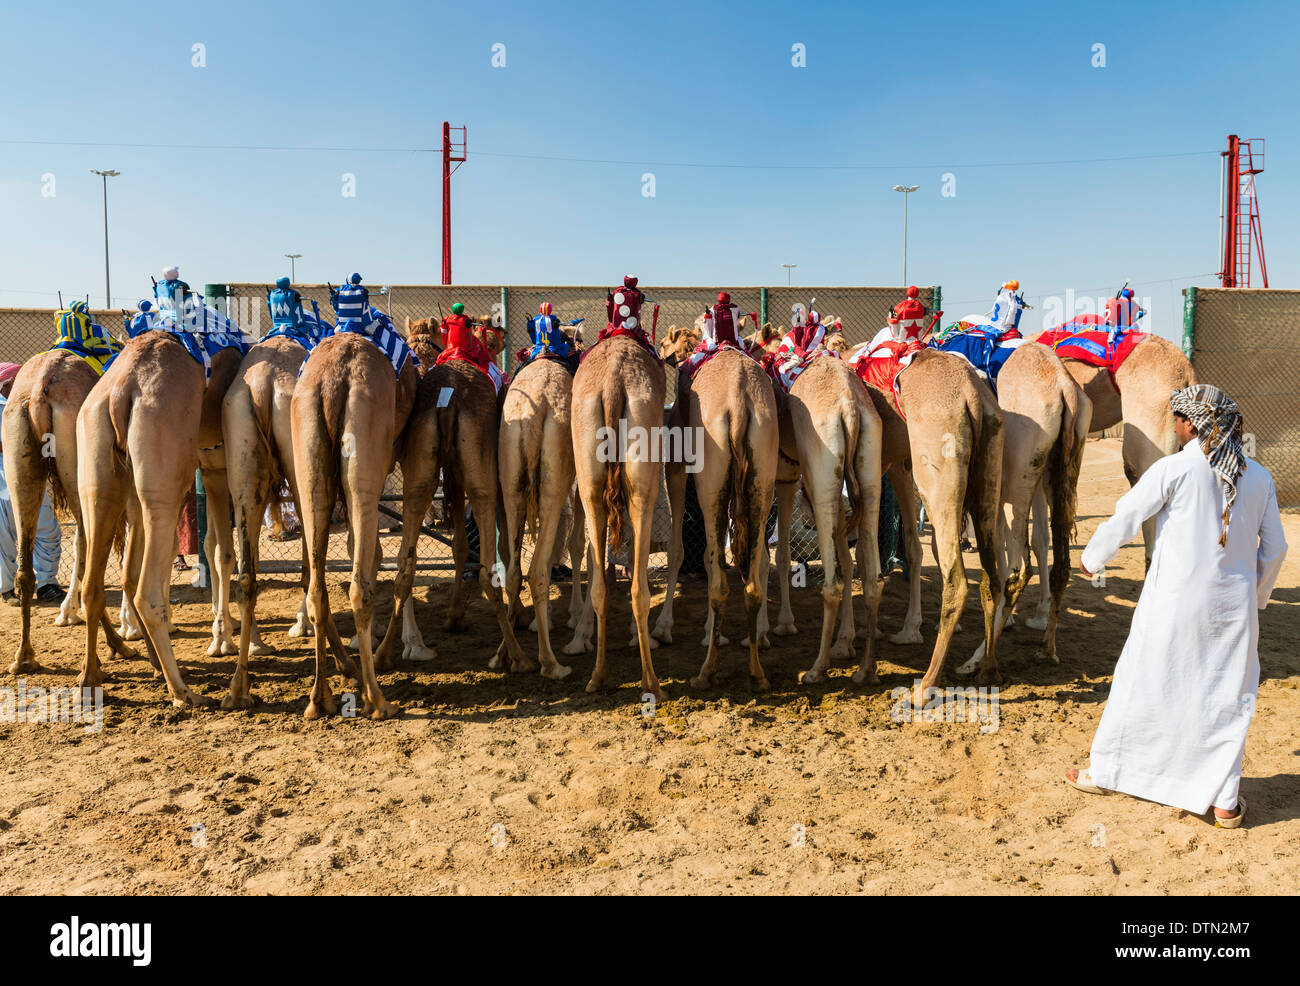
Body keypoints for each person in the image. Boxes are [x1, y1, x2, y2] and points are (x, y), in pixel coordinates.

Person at [1066, 384, 1288, 828]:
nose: (1173, 423)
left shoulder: (1175, 468)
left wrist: (1092, 560)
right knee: (1227, 697)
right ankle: (1225, 801)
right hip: (1235, 613)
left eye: (1178, 417)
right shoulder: (1259, 476)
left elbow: (1128, 514)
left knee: (1143, 681)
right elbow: (1276, 548)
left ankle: (1108, 771)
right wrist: (1256, 596)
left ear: (1192, 424)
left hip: (1172, 603)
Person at [0, 362, 64, 604]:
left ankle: (47, 583)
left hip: (34, 474)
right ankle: (7, 589)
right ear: (6, 384)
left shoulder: (35, 405)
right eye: (15, 381)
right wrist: (18, 446)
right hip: (3, 479)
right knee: (3, 535)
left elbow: (49, 441)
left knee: (47, 530)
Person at [437, 302, 504, 390]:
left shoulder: (446, 320)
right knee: (497, 375)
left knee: (433, 368)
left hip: (449, 350)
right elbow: (468, 338)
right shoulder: (467, 320)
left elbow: (444, 335)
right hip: (466, 351)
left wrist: (447, 344)